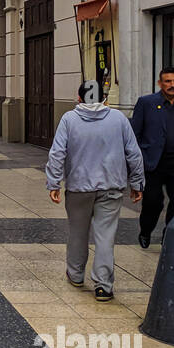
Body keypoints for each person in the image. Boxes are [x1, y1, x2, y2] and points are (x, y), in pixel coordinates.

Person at [46, 82, 145, 302]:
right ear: (103, 98)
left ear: (79, 98)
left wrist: (54, 183)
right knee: (105, 236)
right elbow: (134, 153)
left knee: (78, 232)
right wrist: (137, 183)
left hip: (79, 188)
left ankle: (76, 274)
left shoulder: (69, 119)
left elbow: (57, 153)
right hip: (111, 186)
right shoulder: (118, 119)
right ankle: (103, 285)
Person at [130, 66, 174, 249]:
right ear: (160, 83)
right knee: (153, 203)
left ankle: (168, 234)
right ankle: (145, 231)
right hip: (153, 163)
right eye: (168, 81)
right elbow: (134, 134)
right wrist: (139, 159)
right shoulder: (146, 103)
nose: (172, 85)